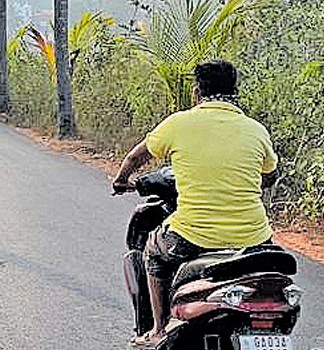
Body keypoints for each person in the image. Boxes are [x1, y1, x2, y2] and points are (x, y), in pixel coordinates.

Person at [112, 61, 278, 348]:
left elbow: (135, 158)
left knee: (152, 251)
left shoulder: (179, 123)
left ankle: (158, 329)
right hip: (256, 239)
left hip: (192, 236)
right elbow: (270, 176)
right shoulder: (256, 129)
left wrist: (121, 180)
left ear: (196, 93)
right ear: (235, 92)